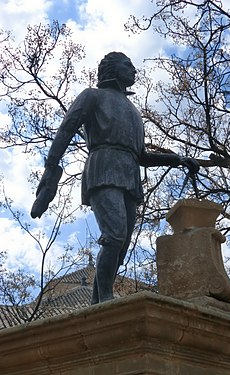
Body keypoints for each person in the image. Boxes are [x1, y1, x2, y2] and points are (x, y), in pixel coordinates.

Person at [31, 52, 199, 304]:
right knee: (114, 236)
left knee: (121, 247)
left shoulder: (133, 111)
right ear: (111, 69)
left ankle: (99, 302)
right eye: (127, 65)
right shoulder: (93, 96)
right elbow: (66, 129)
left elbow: (141, 155)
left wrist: (176, 159)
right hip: (103, 167)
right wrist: (50, 170)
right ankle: (106, 298)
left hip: (129, 174)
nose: (134, 70)